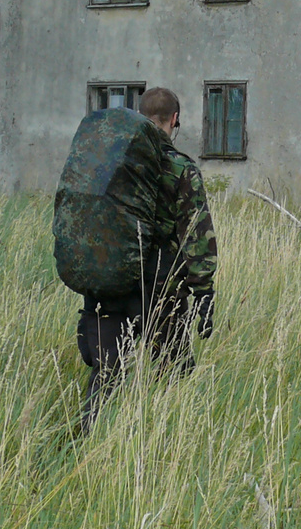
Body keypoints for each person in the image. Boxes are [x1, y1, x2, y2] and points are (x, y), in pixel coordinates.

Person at [76, 86, 218, 431]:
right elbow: (196, 235)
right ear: (175, 119)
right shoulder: (180, 168)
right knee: (174, 373)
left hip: (108, 283)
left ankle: (84, 445)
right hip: (159, 289)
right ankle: (163, 447)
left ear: (140, 117)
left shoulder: (109, 161)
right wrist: (203, 292)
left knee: (106, 375)